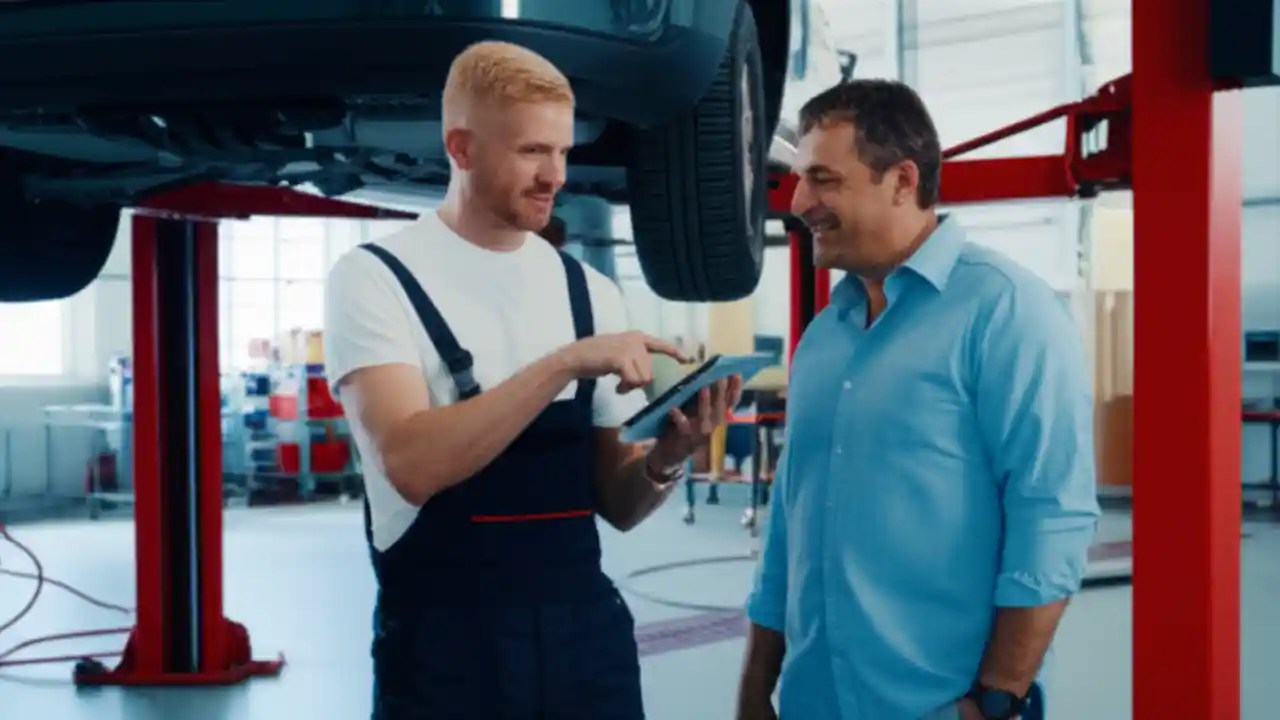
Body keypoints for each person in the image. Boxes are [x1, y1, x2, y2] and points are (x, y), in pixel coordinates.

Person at [323, 40, 741, 719]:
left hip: (587, 650)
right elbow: (409, 463)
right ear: (461, 148)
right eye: (531, 152)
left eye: (563, 151)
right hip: (447, 656)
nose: (556, 176)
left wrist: (667, 459)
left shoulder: (591, 292)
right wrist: (564, 363)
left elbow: (617, 503)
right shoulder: (375, 279)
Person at [736, 80, 1100, 720]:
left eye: (823, 178)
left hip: (939, 706)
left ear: (902, 180)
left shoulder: (1007, 312)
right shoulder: (824, 336)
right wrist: (754, 689)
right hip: (811, 702)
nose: (798, 203)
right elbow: (791, 530)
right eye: (799, 179)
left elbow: (1052, 517)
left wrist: (994, 700)